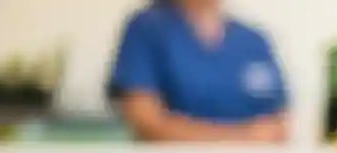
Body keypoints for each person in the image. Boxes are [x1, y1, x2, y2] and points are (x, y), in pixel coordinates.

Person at [107, 0, 289, 143]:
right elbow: (146, 122)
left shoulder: (254, 42)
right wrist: (241, 139)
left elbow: (278, 126)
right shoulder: (148, 29)